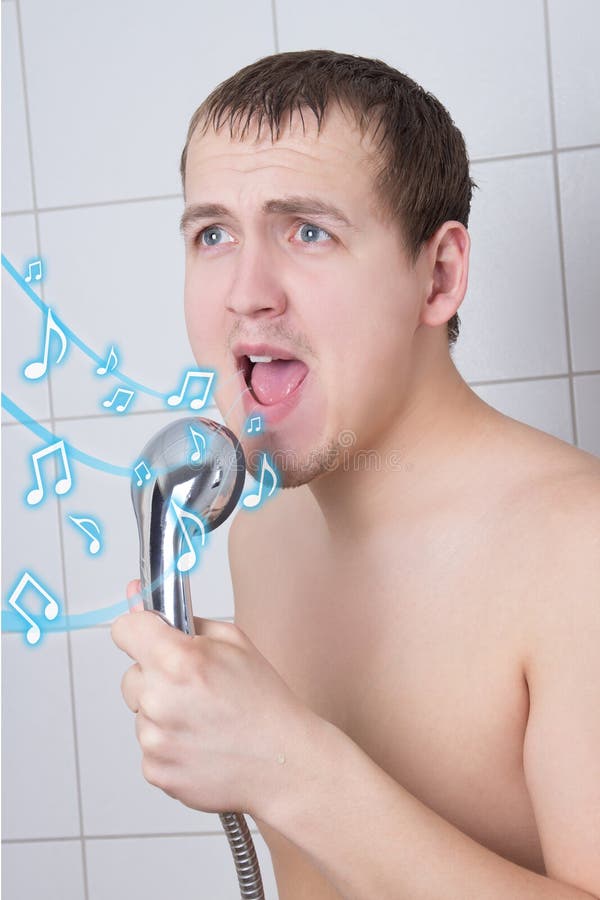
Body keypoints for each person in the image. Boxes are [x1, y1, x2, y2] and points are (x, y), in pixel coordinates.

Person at [112, 50, 600, 899]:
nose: (245, 293)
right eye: (213, 234)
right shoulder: (262, 529)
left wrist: (287, 767)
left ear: (438, 275)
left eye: (309, 231)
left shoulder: (576, 550)